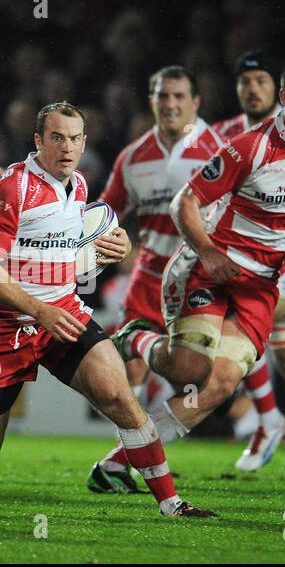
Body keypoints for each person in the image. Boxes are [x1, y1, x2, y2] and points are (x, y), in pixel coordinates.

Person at [103, 56, 285, 479]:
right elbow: (182, 203)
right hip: (209, 268)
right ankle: (138, 342)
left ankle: (122, 460)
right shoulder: (246, 143)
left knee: (222, 382)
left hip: (270, 279)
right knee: (195, 370)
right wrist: (210, 254)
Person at [0, 101, 214, 517]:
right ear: (38, 141)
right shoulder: (7, 191)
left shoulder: (78, 186)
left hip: (65, 313)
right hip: (1, 328)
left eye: (75, 138)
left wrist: (116, 248)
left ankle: (173, 504)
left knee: (120, 398)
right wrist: (38, 311)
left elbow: (69, 255)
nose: (67, 147)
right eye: (57, 137)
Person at [85, 65, 227, 492]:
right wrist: (86, 246)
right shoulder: (134, 157)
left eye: (178, 96)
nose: (170, 104)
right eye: (162, 96)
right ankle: (126, 463)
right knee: (128, 380)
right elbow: (106, 211)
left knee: (201, 379)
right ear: (152, 101)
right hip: (149, 277)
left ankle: (130, 458)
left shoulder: (220, 150)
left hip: (201, 280)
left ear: (195, 102)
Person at [213, 49, 280, 139]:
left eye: (261, 81)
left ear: (276, 86)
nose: (252, 90)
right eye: (245, 82)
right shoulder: (219, 135)